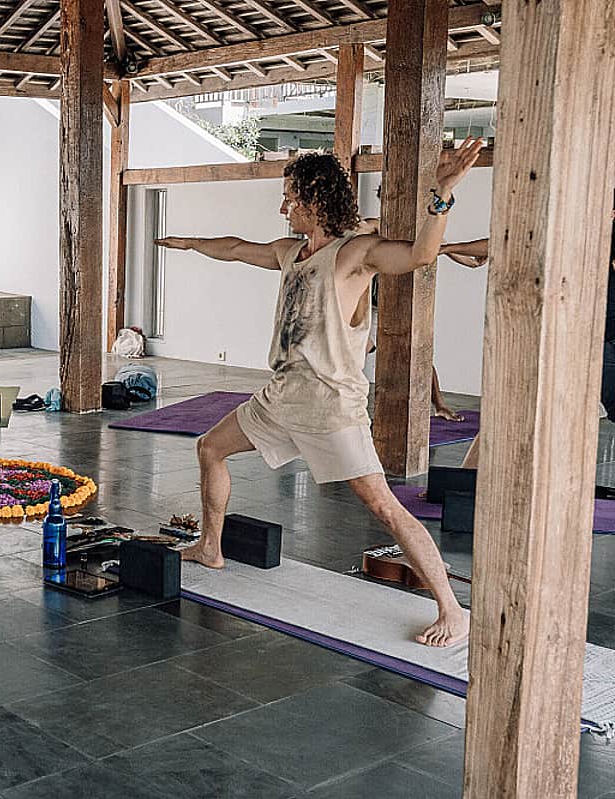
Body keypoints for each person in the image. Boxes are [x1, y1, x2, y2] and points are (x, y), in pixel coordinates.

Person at [156, 139, 484, 647]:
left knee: (384, 507)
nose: (283, 207)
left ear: (315, 198)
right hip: (282, 398)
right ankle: (210, 546)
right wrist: (189, 243)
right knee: (210, 448)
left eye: (290, 196)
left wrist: (441, 193)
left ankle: (450, 607)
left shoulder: (355, 254)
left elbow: (421, 254)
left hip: (332, 407)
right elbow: (240, 249)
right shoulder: (292, 253)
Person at [445, 212, 615, 468]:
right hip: (573, 336)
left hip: (594, 339)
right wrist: (447, 247)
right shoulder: (578, 230)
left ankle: (463, 482)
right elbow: (511, 244)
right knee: (511, 406)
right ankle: (462, 482)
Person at [357, 212, 461, 421]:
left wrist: (473, 260)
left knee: (418, 352)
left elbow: (445, 247)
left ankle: (439, 405)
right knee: (358, 347)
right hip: (375, 305)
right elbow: (363, 228)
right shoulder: (379, 226)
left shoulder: (422, 233)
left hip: (401, 303)